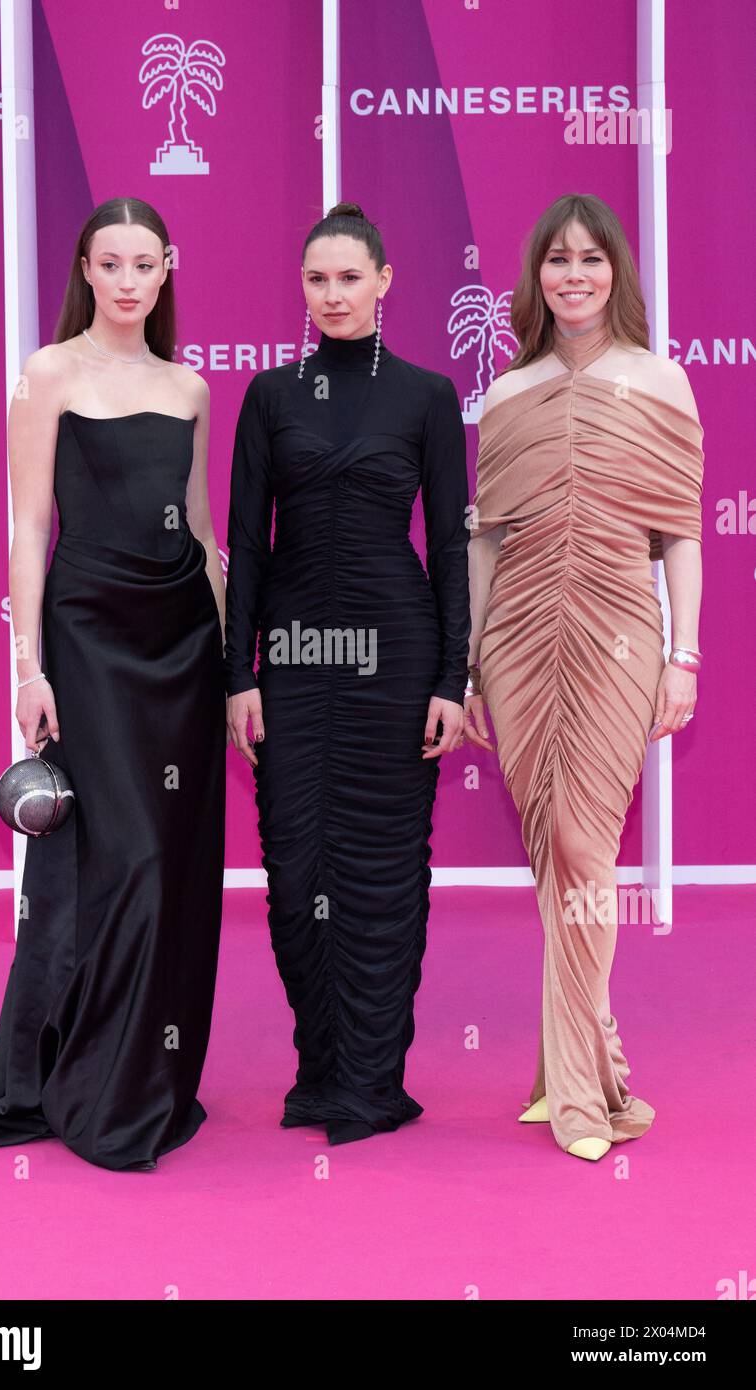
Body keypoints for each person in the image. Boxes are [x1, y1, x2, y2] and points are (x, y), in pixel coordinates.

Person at [0, 197, 226, 1172]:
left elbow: (202, 536)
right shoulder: (48, 374)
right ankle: (91, 1076)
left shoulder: (190, 389)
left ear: (166, 270)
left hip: (181, 648)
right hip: (89, 636)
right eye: (108, 264)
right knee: (119, 861)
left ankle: (149, 1074)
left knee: (172, 863)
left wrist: (234, 658)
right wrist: (27, 666)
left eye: (143, 266)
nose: (126, 282)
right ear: (84, 269)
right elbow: (29, 529)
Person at [465, 193, 704, 1161]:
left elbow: (679, 533)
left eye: (589, 259)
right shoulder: (506, 394)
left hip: (616, 635)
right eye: (556, 259)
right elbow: (482, 541)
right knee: (548, 852)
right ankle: (591, 1058)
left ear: (615, 273)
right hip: (516, 641)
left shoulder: (661, 382)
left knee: (582, 839)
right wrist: (473, 661)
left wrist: (681, 655)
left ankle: (574, 1089)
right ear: (536, 278)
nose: (572, 274)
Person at [225, 202, 469, 1146]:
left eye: (349, 278)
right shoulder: (270, 395)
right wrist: (238, 671)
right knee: (296, 865)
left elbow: (448, 542)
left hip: (395, 656)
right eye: (317, 280)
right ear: (304, 288)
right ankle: (320, 1066)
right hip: (290, 658)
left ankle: (371, 1078)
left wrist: (453, 677)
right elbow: (248, 543)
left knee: (382, 869)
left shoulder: (427, 395)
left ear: (384, 281)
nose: (333, 295)